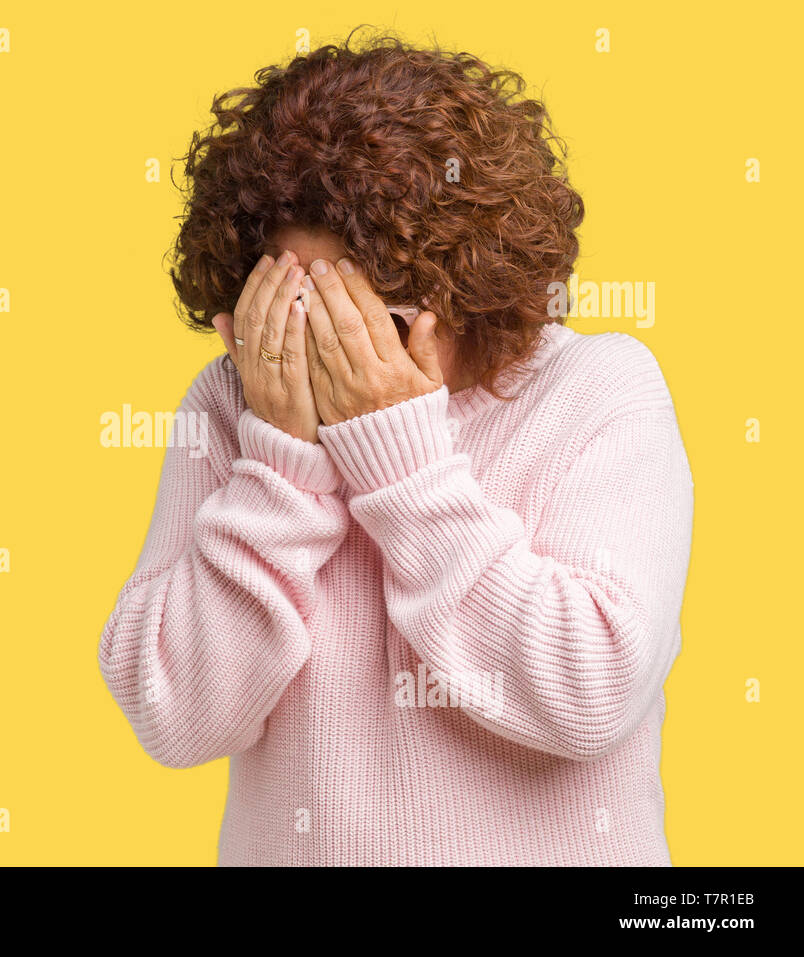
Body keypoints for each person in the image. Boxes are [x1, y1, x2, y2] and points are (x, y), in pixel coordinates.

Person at [97, 28, 694, 866]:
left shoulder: (600, 390)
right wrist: (278, 463)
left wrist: (404, 466)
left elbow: (588, 690)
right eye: (296, 319)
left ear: (474, 295)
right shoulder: (238, 405)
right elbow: (174, 713)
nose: (332, 362)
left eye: (379, 325)